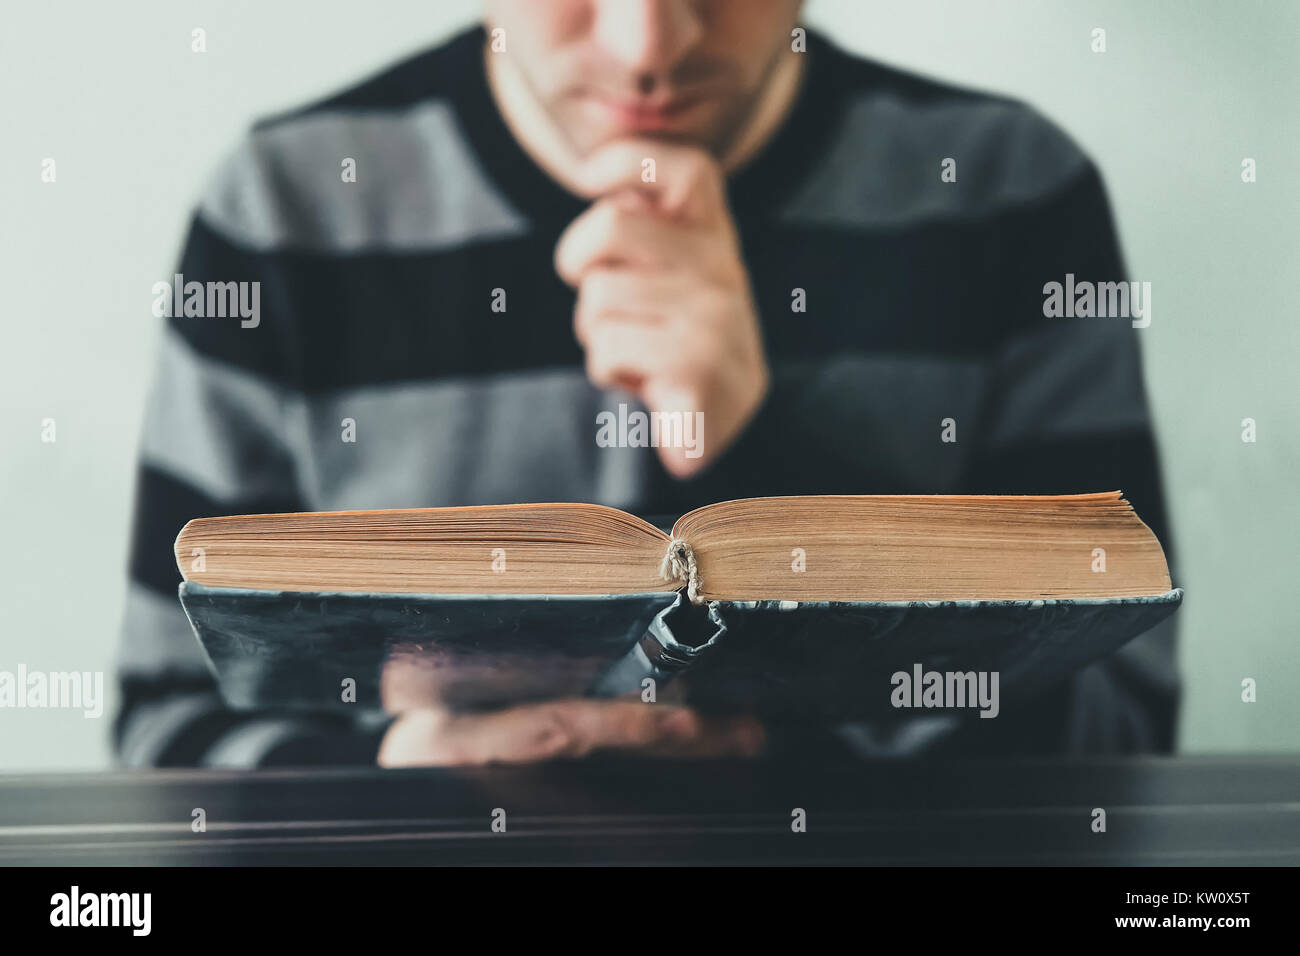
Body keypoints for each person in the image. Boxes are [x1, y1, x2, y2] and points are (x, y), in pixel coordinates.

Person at [115, 0, 1177, 768]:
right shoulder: (283, 211)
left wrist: (753, 449)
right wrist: (402, 783)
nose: (648, 47)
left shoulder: (1014, 195)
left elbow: (1122, 734)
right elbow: (165, 729)